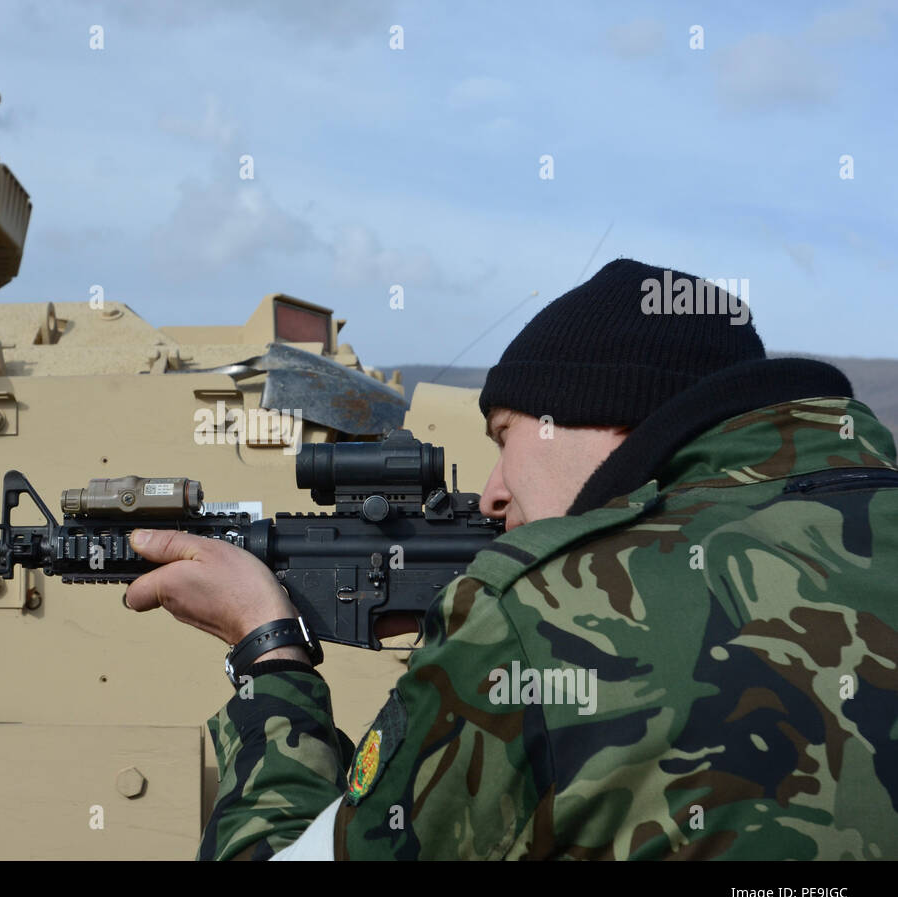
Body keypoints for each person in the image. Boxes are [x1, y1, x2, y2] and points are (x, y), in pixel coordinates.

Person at [123, 258, 898, 860]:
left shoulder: (547, 613)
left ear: (599, 419)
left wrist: (268, 650)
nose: (492, 492)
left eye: (502, 436)